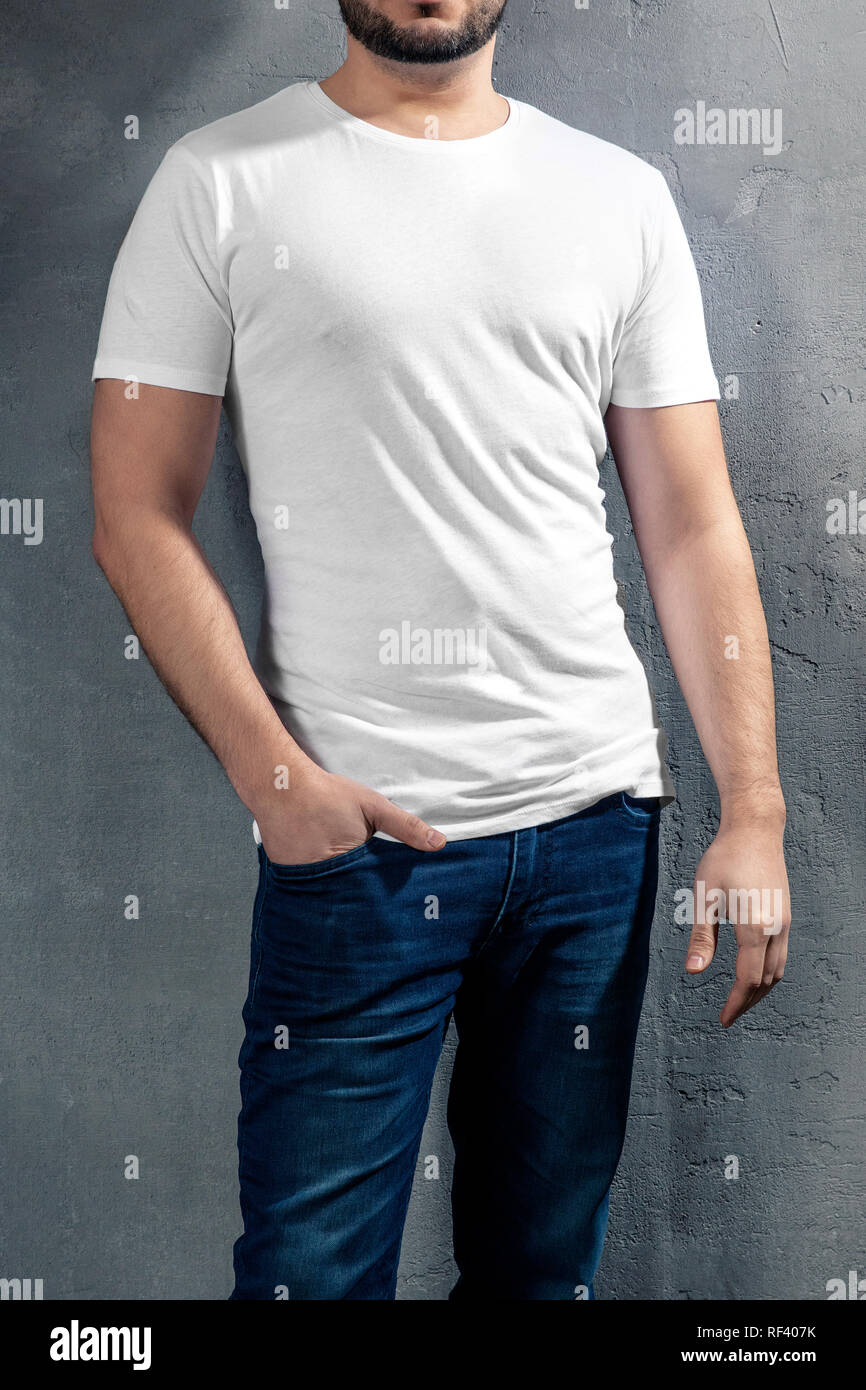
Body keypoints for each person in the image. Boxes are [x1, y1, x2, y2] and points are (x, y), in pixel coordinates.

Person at [90, 0, 791, 1300]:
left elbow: (692, 525)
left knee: (539, 1278)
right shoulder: (222, 180)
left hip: (592, 839)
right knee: (308, 1277)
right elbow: (135, 510)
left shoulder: (612, 197)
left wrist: (749, 806)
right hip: (357, 849)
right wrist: (275, 780)